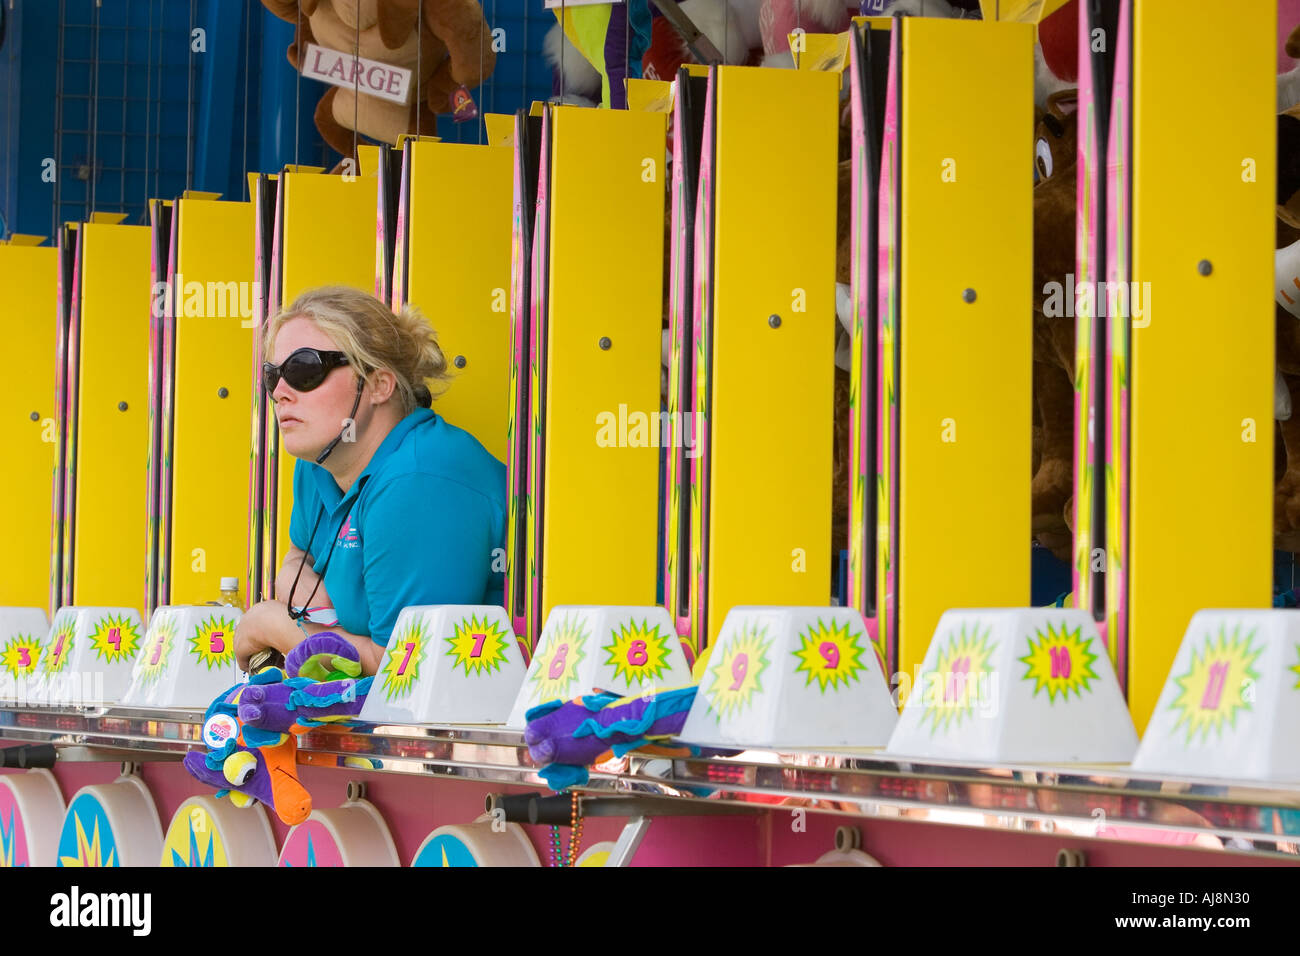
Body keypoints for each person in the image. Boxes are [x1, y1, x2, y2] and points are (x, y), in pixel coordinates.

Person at [234, 286, 506, 676]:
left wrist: (275, 626)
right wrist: (293, 573)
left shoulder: (418, 479)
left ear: (379, 384)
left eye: (304, 370)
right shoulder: (321, 463)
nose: (280, 392)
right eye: (272, 375)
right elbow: (301, 553)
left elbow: (403, 667)